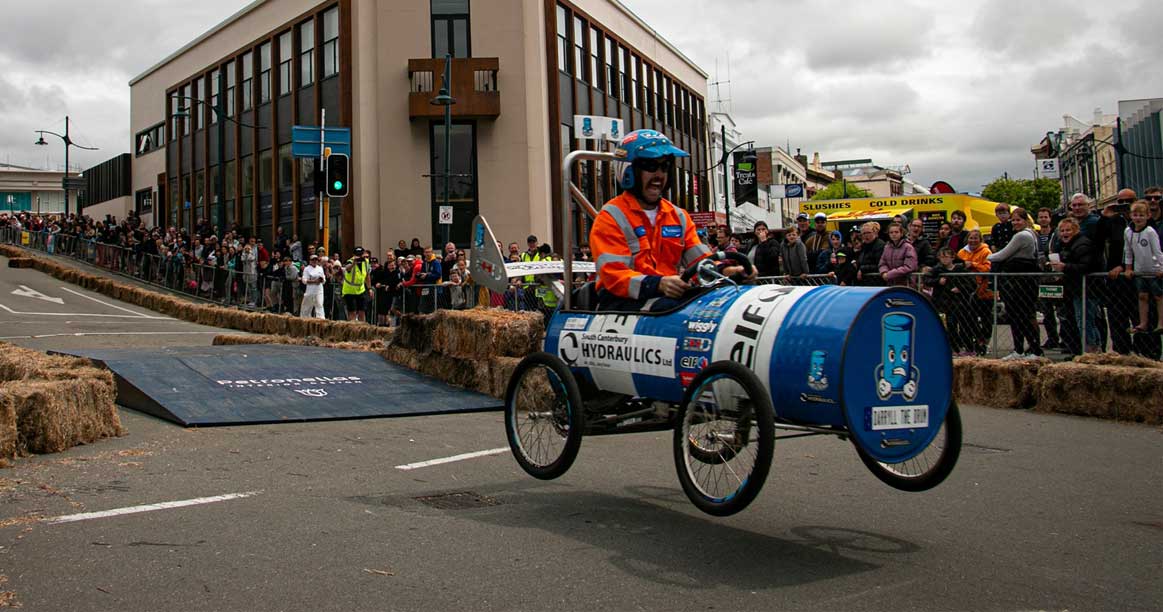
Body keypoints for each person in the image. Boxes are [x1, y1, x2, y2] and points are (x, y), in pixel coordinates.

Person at [589, 129, 744, 311]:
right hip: (620, 302)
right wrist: (659, 284)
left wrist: (726, 272)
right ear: (629, 171)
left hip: (666, 297)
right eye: (651, 166)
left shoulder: (678, 216)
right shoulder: (611, 217)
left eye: (664, 167)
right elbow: (613, 276)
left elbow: (701, 261)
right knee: (674, 309)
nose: (659, 175)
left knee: (716, 303)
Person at [987, 208, 1042, 358]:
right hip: (1022, 281)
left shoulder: (1022, 236)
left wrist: (987, 256)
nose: (1015, 223)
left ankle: (1034, 350)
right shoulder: (1032, 234)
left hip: (1020, 282)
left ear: (1025, 220)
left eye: (1018, 220)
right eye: (1013, 220)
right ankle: (1019, 350)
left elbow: (1002, 255)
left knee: (1022, 316)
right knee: (1019, 316)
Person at [1050, 217, 1102, 353]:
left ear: (1076, 231)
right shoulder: (1064, 245)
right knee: (1079, 321)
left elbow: (1086, 266)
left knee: (1085, 321)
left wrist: (1065, 267)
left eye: (1068, 230)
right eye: (1062, 231)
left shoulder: (1082, 244)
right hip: (1075, 289)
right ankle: (1086, 349)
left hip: (1087, 289)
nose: (1064, 233)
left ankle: (1091, 349)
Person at [1114, 201, 1163, 335]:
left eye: (1141, 215)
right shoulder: (1128, 231)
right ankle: (1143, 322)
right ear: (1131, 216)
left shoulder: (1150, 231)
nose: (1138, 218)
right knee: (1142, 296)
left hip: (1153, 269)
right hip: (1139, 269)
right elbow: (1128, 251)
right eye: (1135, 215)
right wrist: (1128, 268)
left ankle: (1161, 323)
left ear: (1147, 216)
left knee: (1159, 296)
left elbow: (1157, 251)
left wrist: (1161, 267)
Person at [925, 247, 973, 355]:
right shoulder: (937, 270)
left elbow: (971, 284)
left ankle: (968, 348)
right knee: (949, 325)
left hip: (960, 302)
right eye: (941, 257)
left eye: (946, 257)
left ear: (952, 257)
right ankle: (954, 348)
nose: (944, 259)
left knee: (964, 325)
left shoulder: (960, 269)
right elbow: (927, 280)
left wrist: (960, 288)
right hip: (943, 302)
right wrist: (938, 281)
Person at [958, 229, 994, 356]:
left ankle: (985, 341)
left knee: (986, 318)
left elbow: (988, 268)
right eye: (971, 238)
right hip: (967, 291)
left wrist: (973, 264)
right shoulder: (962, 252)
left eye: (976, 238)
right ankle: (976, 342)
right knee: (970, 318)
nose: (973, 240)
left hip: (984, 290)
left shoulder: (986, 251)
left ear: (980, 240)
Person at [1035, 207, 1062, 350]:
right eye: (1040, 217)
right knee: (1046, 311)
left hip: (1055, 276)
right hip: (1042, 277)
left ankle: (1065, 338)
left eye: (1045, 217)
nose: (1043, 219)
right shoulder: (1036, 235)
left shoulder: (1056, 234)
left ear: (1050, 218)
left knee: (1061, 311)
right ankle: (1052, 338)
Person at [878, 222, 918, 287]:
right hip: (891, 284)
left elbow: (909, 267)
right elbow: (882, 263)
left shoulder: (908, 247)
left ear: (901, 233)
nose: (894, 234)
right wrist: (884, 272)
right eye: (891, 232)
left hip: (906, 284)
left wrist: (890, 274)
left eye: (896, 232)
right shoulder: (887, 247)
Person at [371, 255, 402, 325]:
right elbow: (380, 280)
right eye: (391, 265)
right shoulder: (384, 273)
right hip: (384, 295)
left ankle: (393, 323)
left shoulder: (397, 273)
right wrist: (379, 283)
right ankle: (382, 325)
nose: (392, 267)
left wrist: (389, 285)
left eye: (393, 265)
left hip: (394, 295)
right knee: (382, 311)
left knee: (391, 310)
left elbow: (396, 281)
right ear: (387, 266)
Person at [342, 246, 371, 322]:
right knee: (353, 312)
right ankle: (352, 330)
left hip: (361, 290)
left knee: (362, 311)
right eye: (357, 255)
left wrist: (369, 289)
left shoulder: (366, 262)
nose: (358, 256)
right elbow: (347, 268)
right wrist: (353, 263)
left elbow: (367, 276)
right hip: (350, 291)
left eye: (360, 254)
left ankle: (362, 329)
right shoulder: (350, 261)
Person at [856, 221, 885, 286]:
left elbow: (880, 265)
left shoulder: (880, 245)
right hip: (864, 282)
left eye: (868, 233)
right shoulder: (863, 246)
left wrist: (862, 269)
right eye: (864, 233)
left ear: (875, 233)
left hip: (876, 282)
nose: (866, 235)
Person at [300, 253, 327, 319]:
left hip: (319, 290)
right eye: (313, 260)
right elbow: (304, 280)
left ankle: (321, 320)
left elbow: (324, 280)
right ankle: (304, 319)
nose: (314, 261)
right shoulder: (307, 269)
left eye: (316, 260)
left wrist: (321, 280)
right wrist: (314, 281)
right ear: (310, 261)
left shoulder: (320, 268)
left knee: (319, 305)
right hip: (310, 291)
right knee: (307, 307)